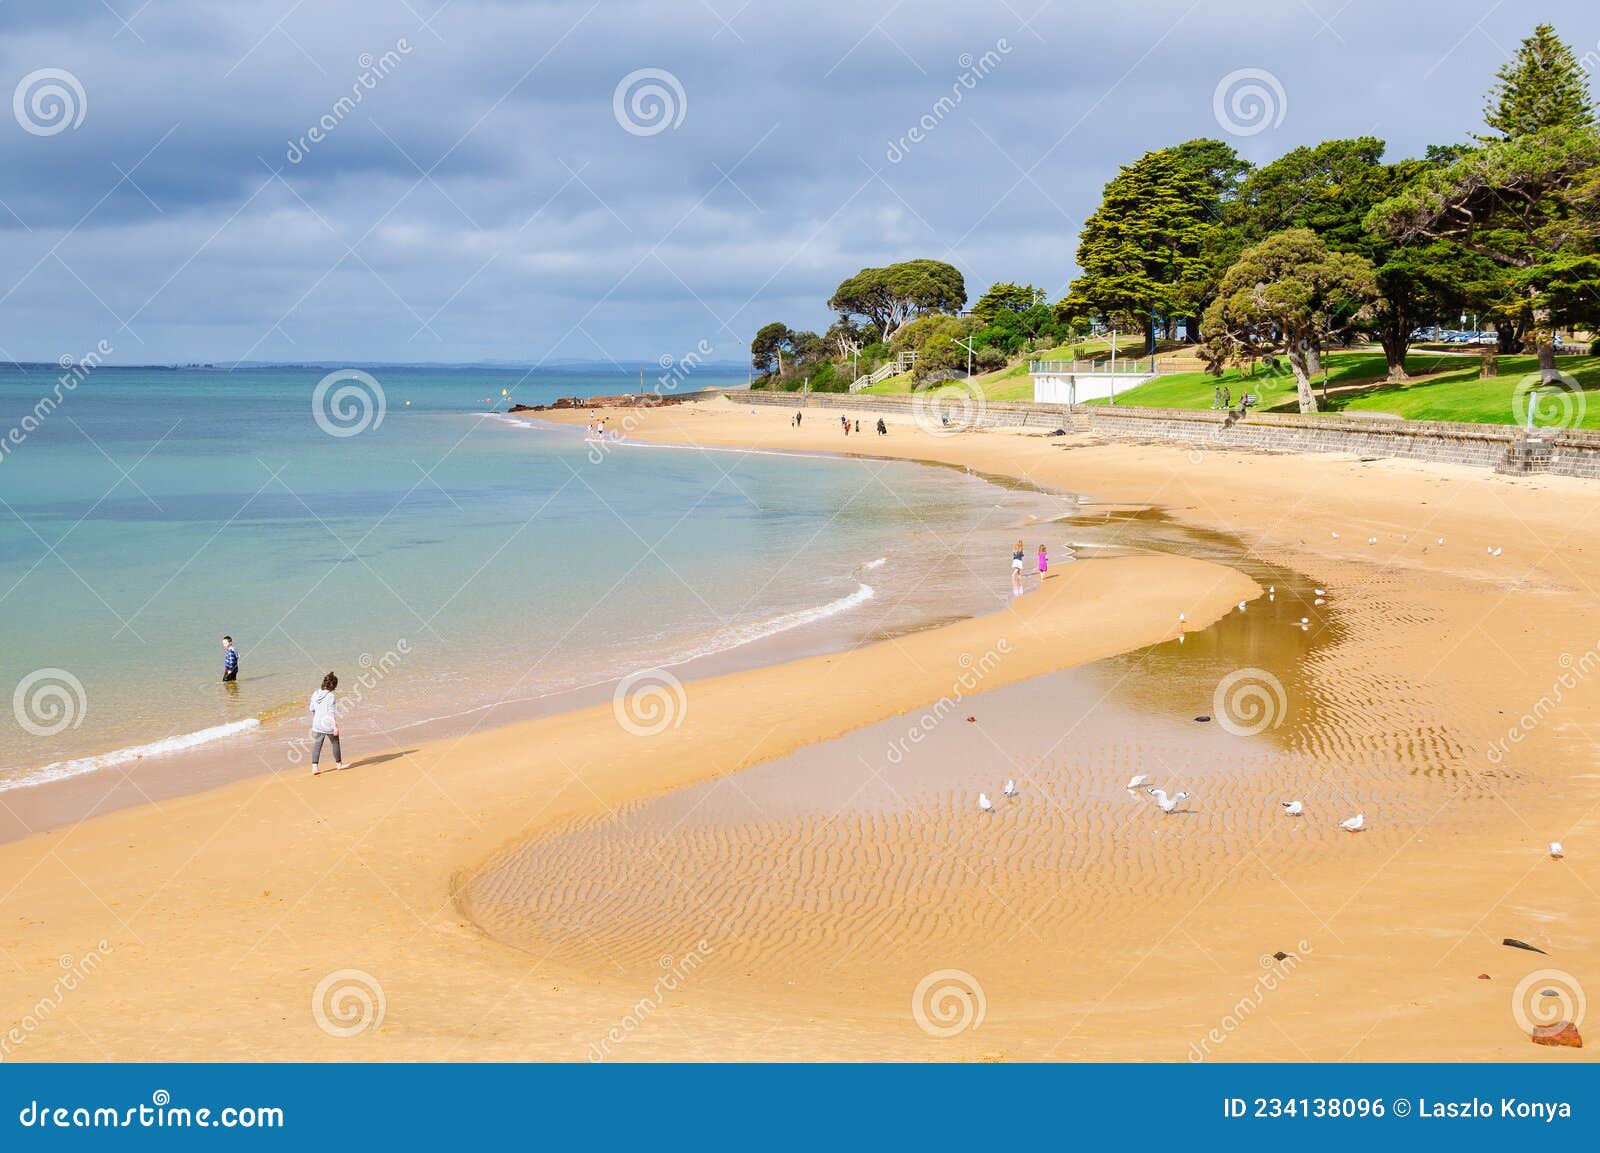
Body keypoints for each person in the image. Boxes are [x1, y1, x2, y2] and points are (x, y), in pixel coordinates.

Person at [308, 672, 346, 775]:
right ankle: (339, 765)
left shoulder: (315, 693)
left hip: (316, 723)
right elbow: (331, 712)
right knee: (335, 742)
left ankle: (315, 768)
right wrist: (335, 727)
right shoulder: (331, 696)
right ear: (333, 685)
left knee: (317, 745)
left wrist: (317, 718)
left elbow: (311, 708)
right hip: (327, 723)